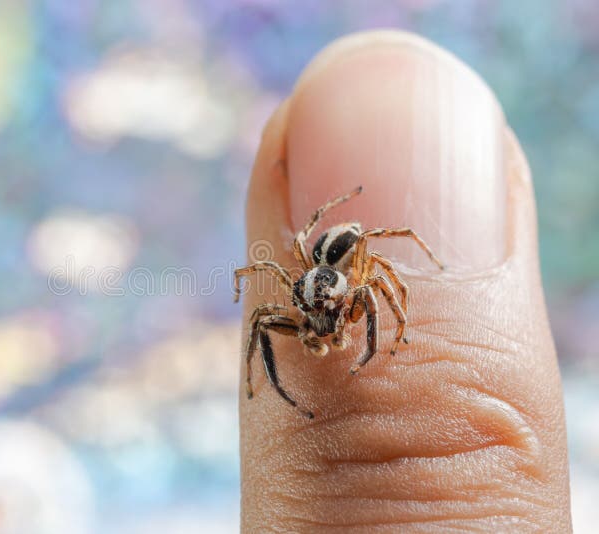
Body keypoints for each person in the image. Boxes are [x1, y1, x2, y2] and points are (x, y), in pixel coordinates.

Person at [238, 30, 571, 532]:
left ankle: (380, 345)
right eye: (312, 311)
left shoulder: (357, 283)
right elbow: (274, 273)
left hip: (344, 251)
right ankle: (271, 385)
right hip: (320, 256)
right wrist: (266, 375)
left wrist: (386, 339)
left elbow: (379, 281)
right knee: (265, 319)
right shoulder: (300, 292)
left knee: (381, 271)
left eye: (325, 309)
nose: (321, 320)